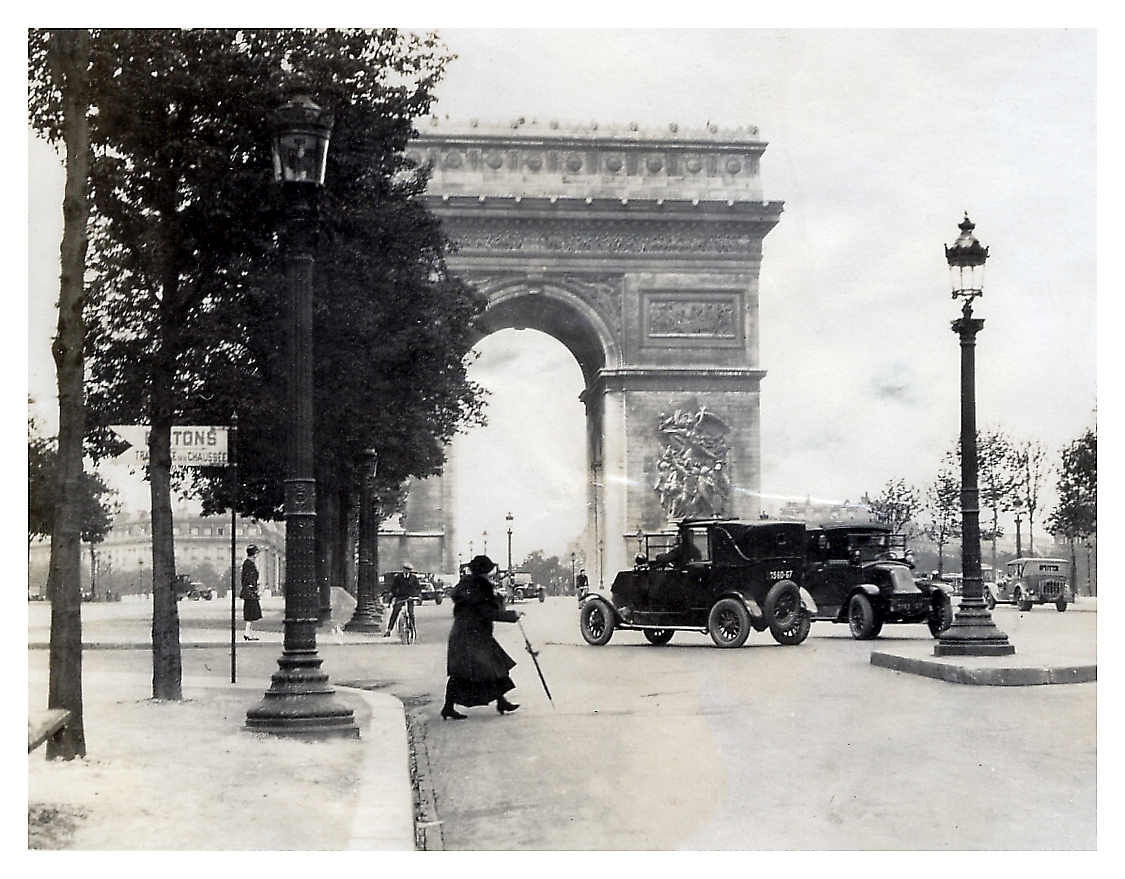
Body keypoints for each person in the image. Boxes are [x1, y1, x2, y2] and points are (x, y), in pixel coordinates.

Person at [441, 555, 521, 720]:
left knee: (486, 668)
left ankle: (501, 701)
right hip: (474, 637)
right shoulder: (482, 586)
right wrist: (512, 615)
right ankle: (448, 707)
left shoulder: (465, 584)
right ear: (485, 571)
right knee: (487, 668)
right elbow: (487, 613)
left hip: (463, 634)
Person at [384, 562, 422, 638]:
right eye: (406, 569)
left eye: (409, 570)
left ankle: (413, 629)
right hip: (400, 597)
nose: (407, 571)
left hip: (410, 597)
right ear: (403, 569)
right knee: (395, 612)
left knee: (411, 613)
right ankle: (389, 630)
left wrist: (415, 595)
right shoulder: (398, 577)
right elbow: (393, 588)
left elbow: (418, 588)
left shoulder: (413, 578)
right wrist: (395, 594)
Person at [240, 545, 262, 640]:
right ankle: (247, 633)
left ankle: (248, 633)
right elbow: (249, 577)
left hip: (249, 591)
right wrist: (253, 586)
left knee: (251, 614)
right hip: (250, 591)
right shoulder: (249, 564)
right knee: (250, 614)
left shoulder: (248, 563)